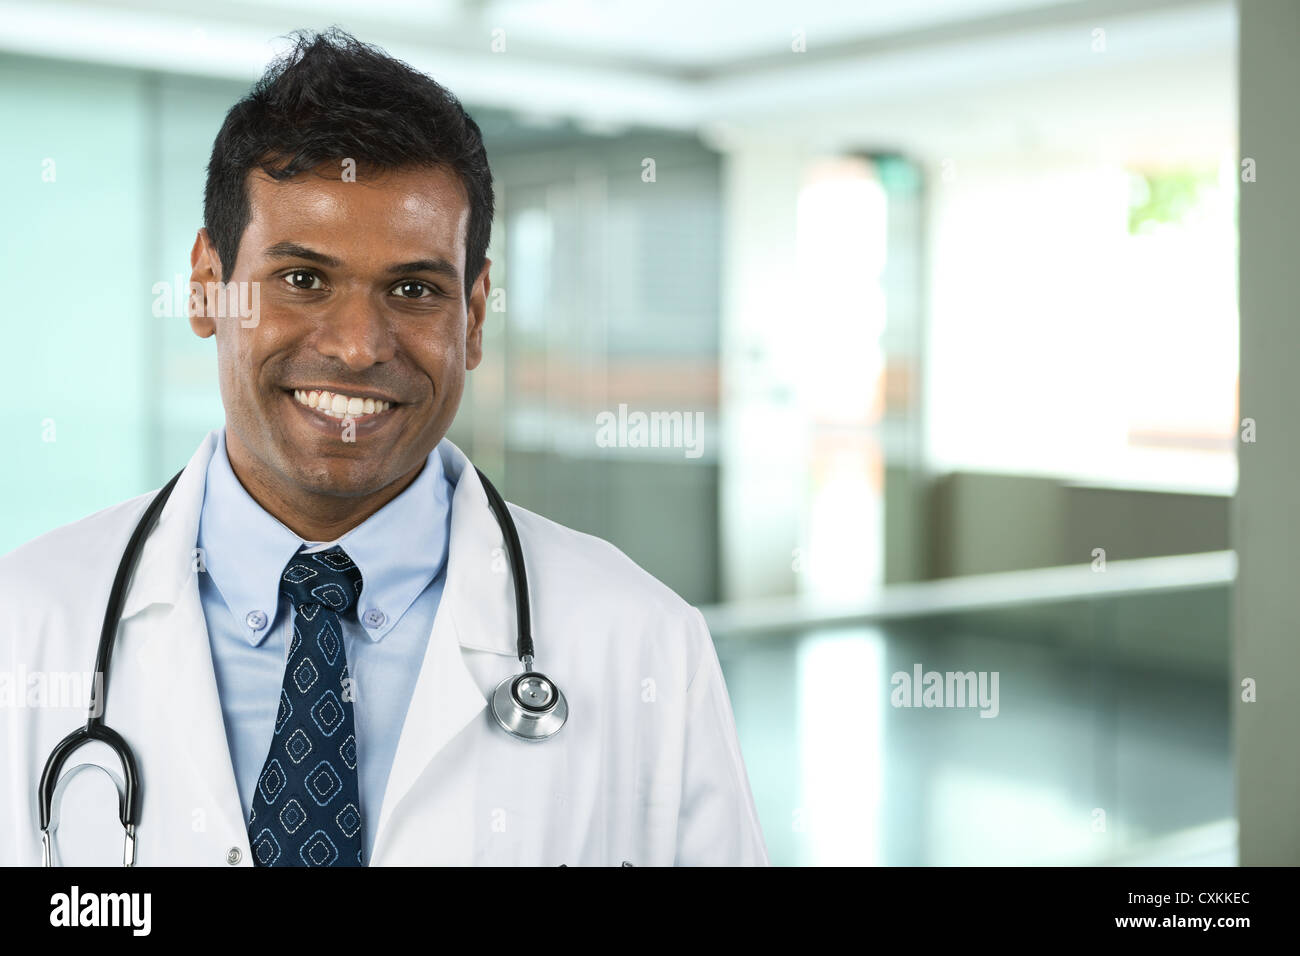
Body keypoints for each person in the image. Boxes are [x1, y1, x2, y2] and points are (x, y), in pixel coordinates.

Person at [0, 28, 768, 867]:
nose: (359, 345)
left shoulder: (644, 643)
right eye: (302, 279)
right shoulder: (27, 627)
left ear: (473, 317)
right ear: (206, 285)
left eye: (413, 289)